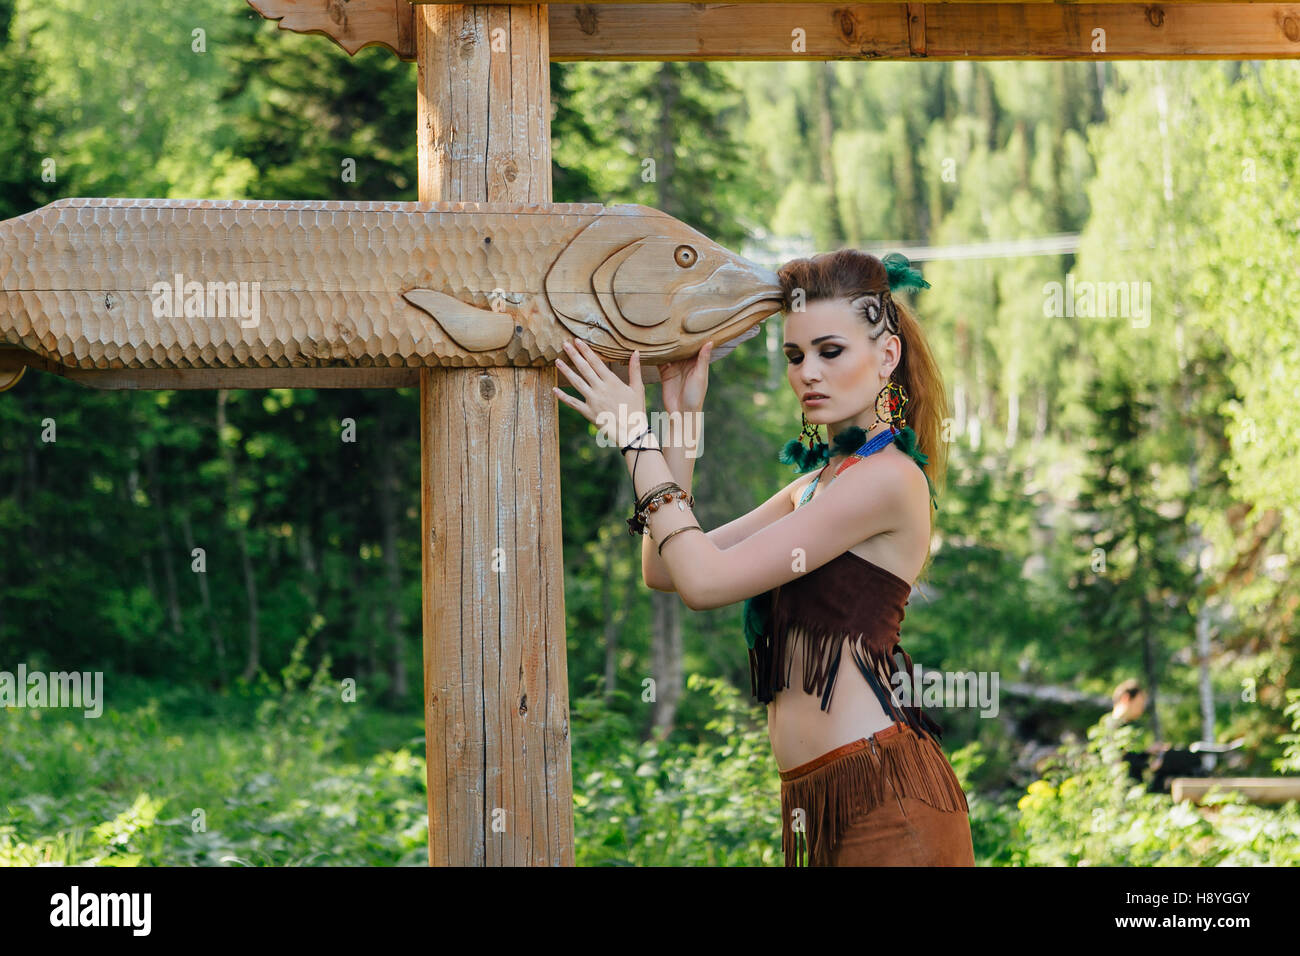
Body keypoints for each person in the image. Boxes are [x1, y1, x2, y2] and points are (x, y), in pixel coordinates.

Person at [553, 249, 973, 867]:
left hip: (887, 804)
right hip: (819, 804)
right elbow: (668, 568)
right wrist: (682, 426)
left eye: (831, 352)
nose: (809, 373)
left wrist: (634, 439)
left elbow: (706, 580)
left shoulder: (888, 480)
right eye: (796, 356)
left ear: (886, 356)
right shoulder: (818, 483)